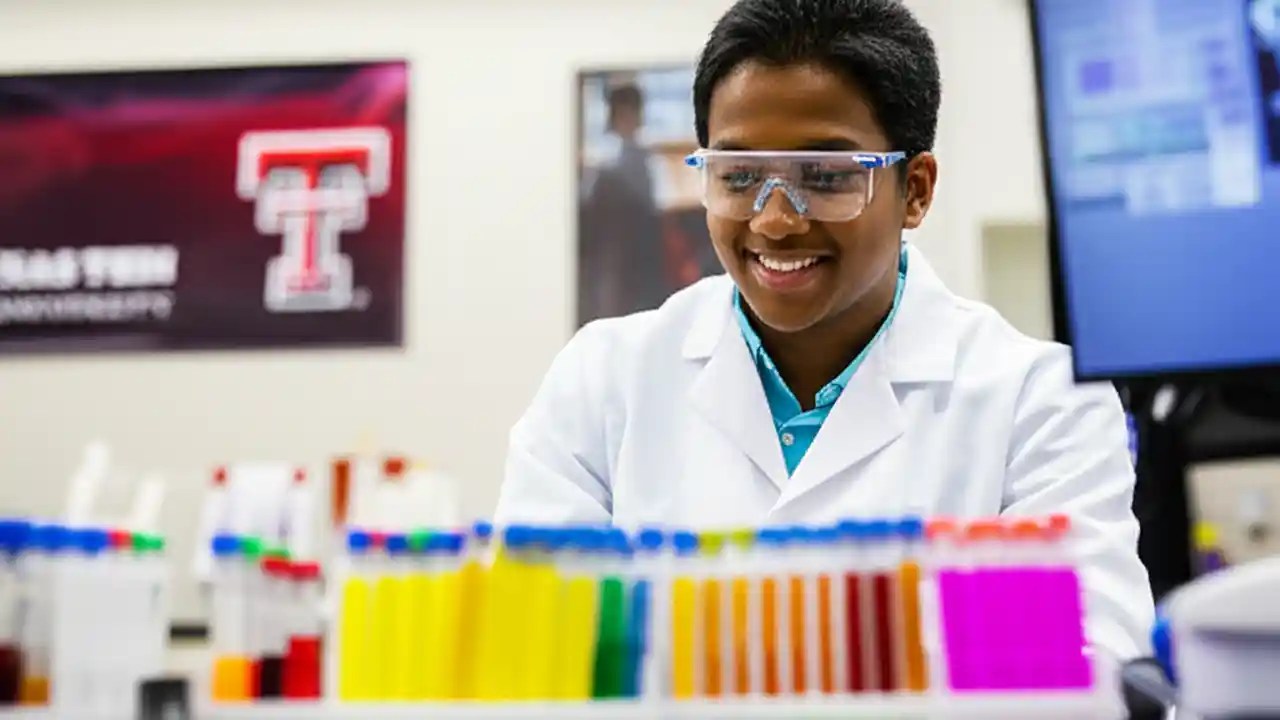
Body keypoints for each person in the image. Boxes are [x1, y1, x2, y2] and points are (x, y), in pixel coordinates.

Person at [498, 0, 1154, 660]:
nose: (775, 219)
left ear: (916, 190)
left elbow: (1085, 666)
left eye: (826, 176)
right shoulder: (605, 379)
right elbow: (532, 645)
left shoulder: (1039, 403)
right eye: (741, 176)